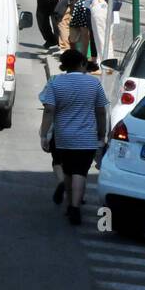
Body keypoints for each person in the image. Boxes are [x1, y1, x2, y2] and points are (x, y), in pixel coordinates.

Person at [39, 48, 109, 225]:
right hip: (87, 138)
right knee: (80, 172)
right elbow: (101, 111)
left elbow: (49, 110)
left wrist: (44, 134)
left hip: (63, 136)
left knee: (68, 171)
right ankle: (75, 207)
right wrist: (102, 133)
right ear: (82, 63)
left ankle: (70, 203)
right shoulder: (94, 84)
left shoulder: (56, 83)